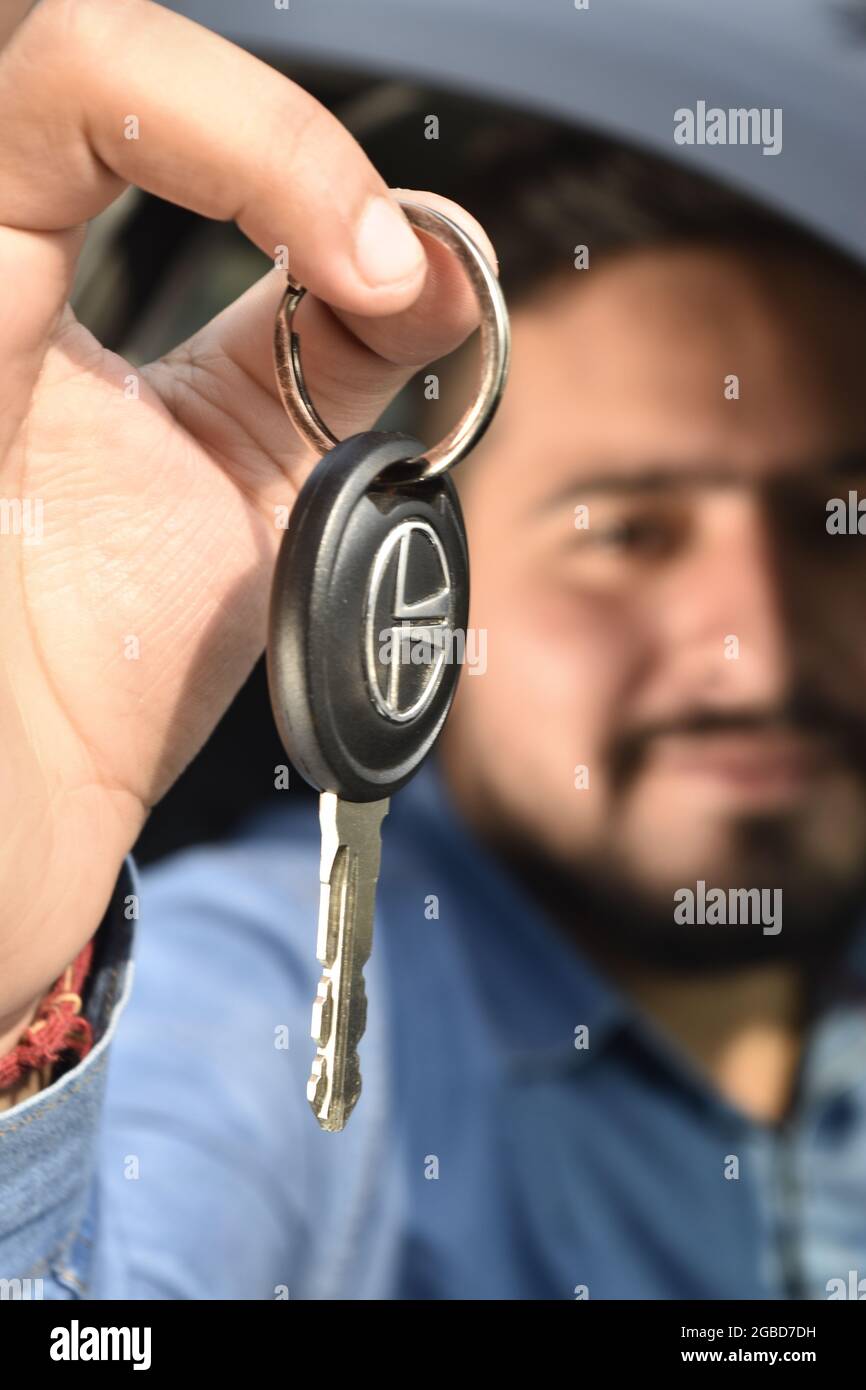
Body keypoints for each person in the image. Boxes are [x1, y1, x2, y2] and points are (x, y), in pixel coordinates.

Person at [2, 0, 866, 1300]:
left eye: (828, 521)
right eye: (624, 531)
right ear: (425, 576)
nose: (748, 654)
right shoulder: (260, 990)